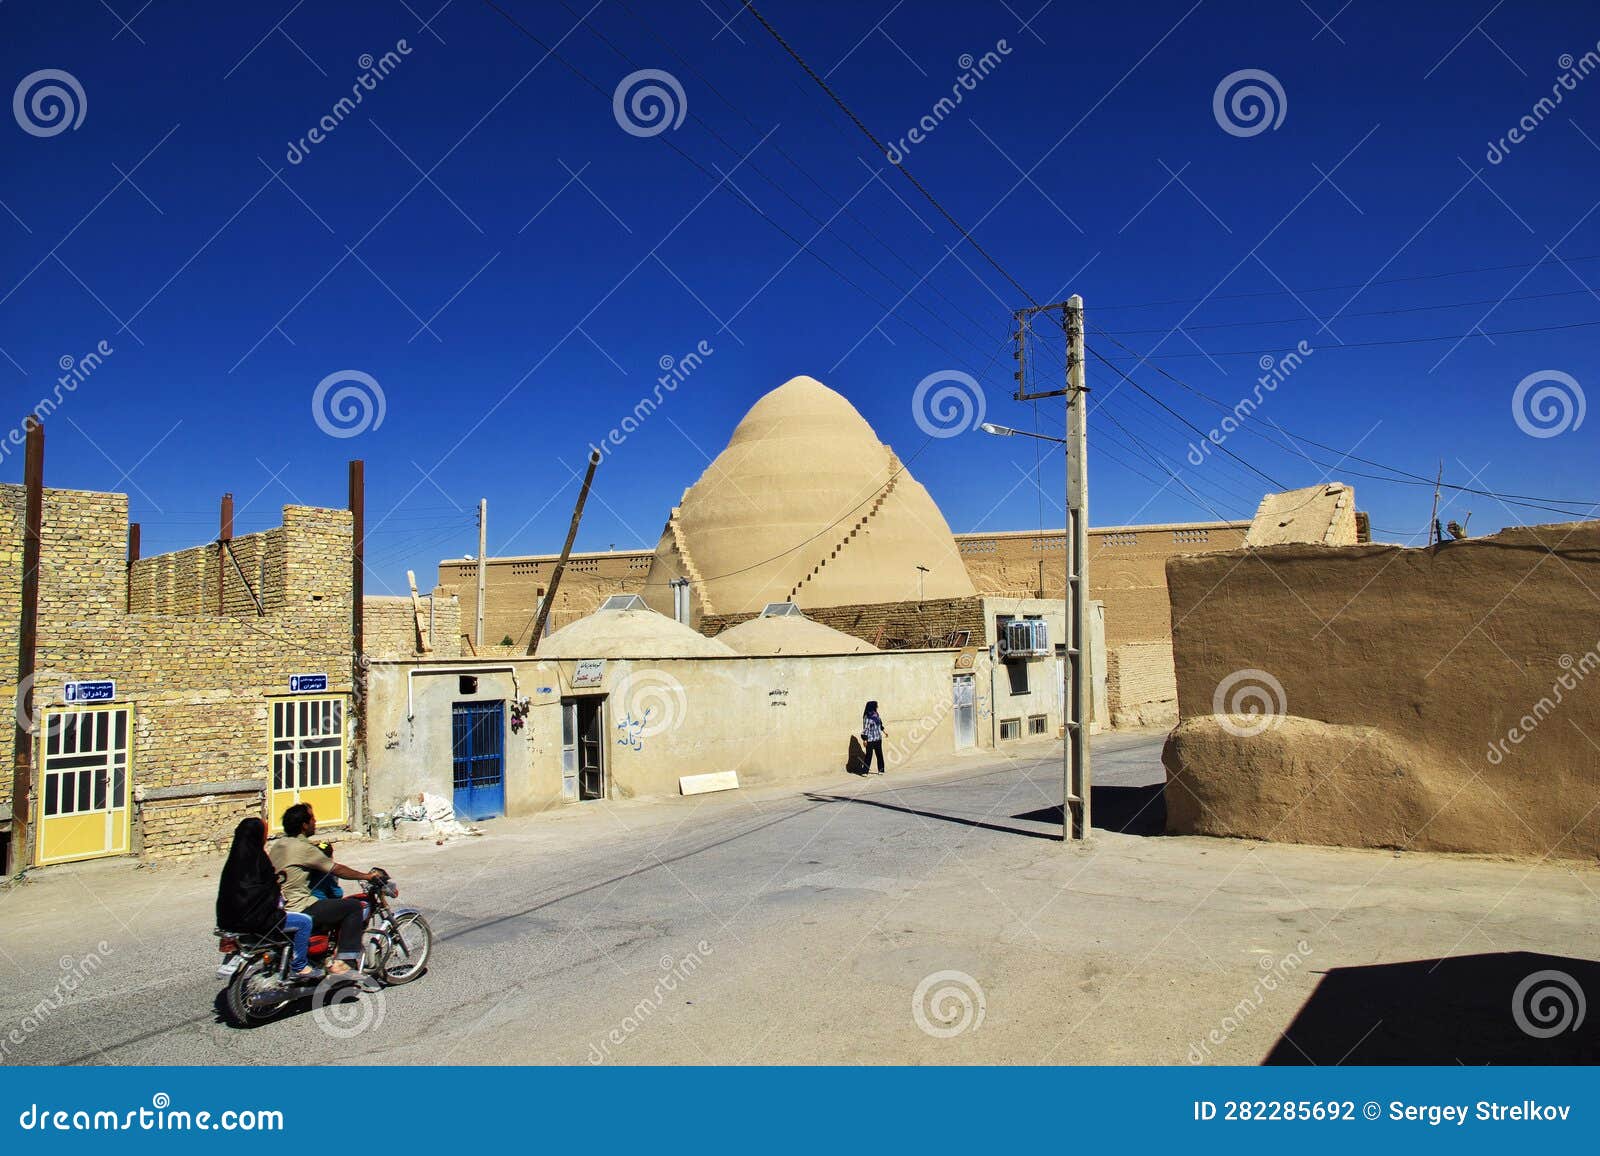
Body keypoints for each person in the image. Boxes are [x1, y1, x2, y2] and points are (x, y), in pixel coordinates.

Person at [268, 803, 388, 976]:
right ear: (304, 825)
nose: (315, 822)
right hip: (300, 906)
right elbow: (336, 869)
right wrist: (367, 876)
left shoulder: (279, 844)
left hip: (280, 905)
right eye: (312, 818)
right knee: (353, 907)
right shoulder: (303, 848)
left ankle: (325, 954)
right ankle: (343, 962)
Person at [216, 816, 320, 981]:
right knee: (305, 922)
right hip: (255, 920)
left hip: (229, 922)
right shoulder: (258, 859)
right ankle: (300, 966)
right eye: (264, 833)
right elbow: (267, 890)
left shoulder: (233, 862)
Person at [861, 700, 887, 774]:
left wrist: (884, 732)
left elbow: (880, 724)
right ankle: (865, 771)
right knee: (869, 755)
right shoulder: (867, 717)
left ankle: (881, 770)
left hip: (878, 738)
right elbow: (865, 728)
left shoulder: (876, 715)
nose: (877, 707)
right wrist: (865, 739)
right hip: (870, 739)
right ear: (872, 707)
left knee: (879, 754)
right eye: (876, 705)